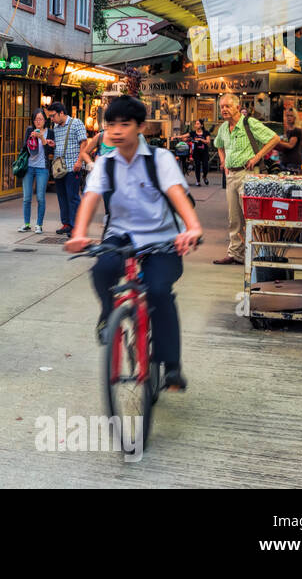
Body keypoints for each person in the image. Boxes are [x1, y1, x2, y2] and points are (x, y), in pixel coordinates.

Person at [64, 95, 203, 391]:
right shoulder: (106, 163)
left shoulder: (160, 160)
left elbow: (177, 194)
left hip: (163, 239)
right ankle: (108, 313)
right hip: (121, 235)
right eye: (110, 124)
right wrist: (78, 234)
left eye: (124, 124)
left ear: (140, 127)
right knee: (102, 270)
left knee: (158, 291)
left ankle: (172, 367)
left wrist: (192, 227)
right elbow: (90, 199)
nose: (115, 131)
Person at [212, 93, 279, 265]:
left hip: (248, 175)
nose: (224, 110)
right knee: (234, 219)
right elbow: (219, 145)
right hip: (231, 176)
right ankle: (236, 254)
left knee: (252, 217)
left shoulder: (249, 123)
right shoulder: (223, 128)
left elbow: (274, 139)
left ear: (237, 106)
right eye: (221, 107)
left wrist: (257, 157)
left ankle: (261, 253)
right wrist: (223, 162)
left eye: (227, 106)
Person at [45, 102, 90, 235]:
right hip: (59, 168)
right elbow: (60, 145)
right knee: (62, 197)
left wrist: (79, 162)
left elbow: (84, 143)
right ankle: (66, 223)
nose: (51, 119)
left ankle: (76, 226)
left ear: (62, 113)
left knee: (73, 197)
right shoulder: (56, 127)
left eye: (53, 116)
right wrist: (54, 145)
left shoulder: (76, 123)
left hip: (73, 167)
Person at [19, 110, 50, 234]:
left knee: (41, 197)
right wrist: (30, 139)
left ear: (45, 120)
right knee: (27, 197)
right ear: (33, 121)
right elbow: (23, 148)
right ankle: (26, 224)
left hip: (42, 168)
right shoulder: (28, 130)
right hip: (29, 167)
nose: (38, 122)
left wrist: (41, 137)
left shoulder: (49, 132)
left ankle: (39, 225)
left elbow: (49, 151)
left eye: (41, 119)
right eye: (36, 119)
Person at [276, 109, 302, 173]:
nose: (289, 118)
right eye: (287, 116)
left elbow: (290, 145)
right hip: (285, 161)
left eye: (291, 116)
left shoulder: (297, 130)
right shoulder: (287, 129)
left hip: (293, 162)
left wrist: (276, 142)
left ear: (295, 117)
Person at [187, 119, 212, 186]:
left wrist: (200, 139)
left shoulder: (206, 133)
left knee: (205, 166)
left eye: (198, 123)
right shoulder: (193, 133)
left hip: (204, 152)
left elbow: (208, 141)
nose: (196, 125)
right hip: (196, 152)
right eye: (196, 124)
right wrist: (176, 136)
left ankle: (204, 176)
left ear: (201, 125)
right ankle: (198, 181)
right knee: (197, 166)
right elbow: (185, 136)